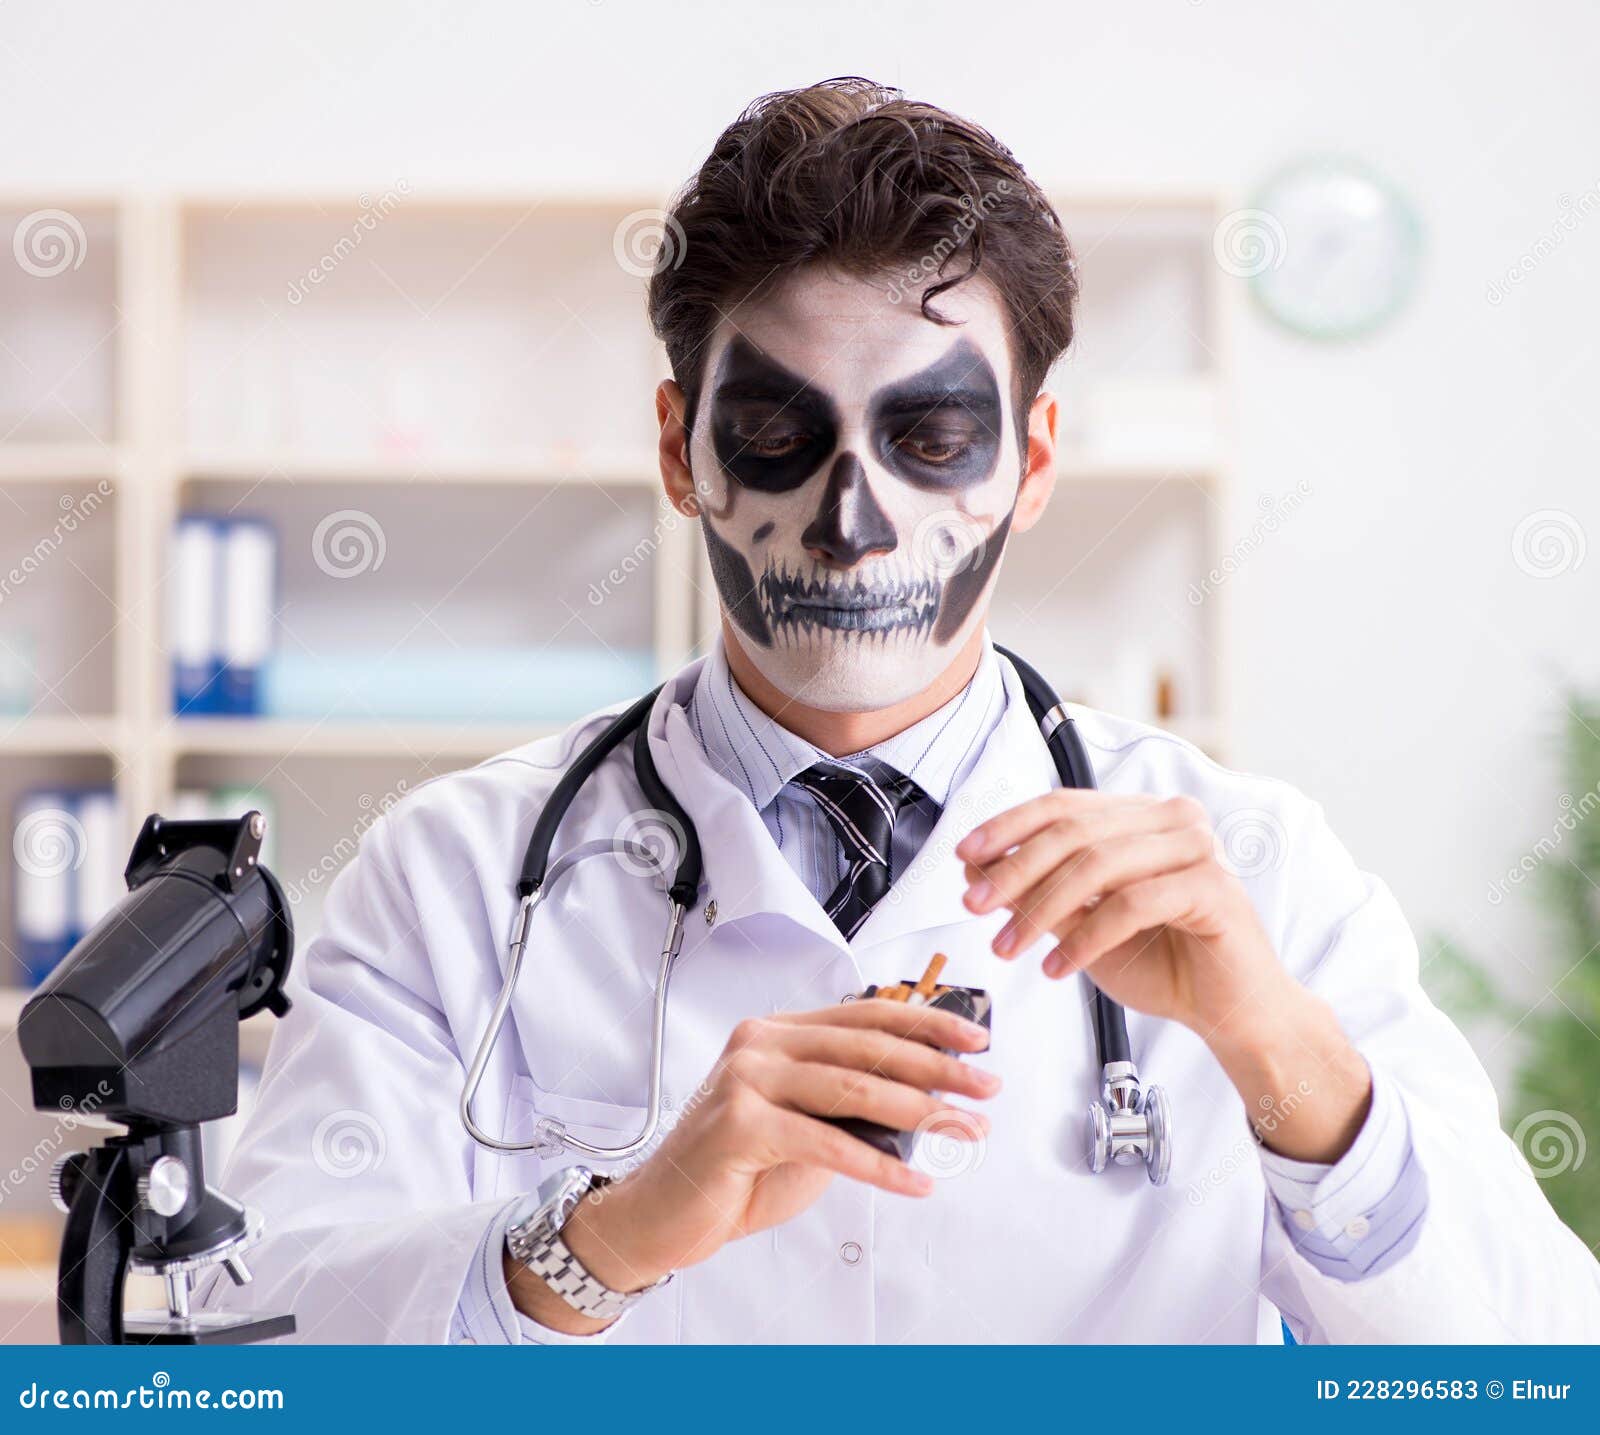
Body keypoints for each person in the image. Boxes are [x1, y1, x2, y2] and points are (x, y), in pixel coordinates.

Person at [203, 77, 1600, 1344]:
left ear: (1032, 462)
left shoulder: (1254, 871)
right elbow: (255, 1347)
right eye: (777, 437)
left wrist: (1281, 1053)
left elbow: (1530, 1365)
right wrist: (606, 1242)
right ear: (680, 452)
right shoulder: (454, 874)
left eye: (930, 439)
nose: (853, 525)